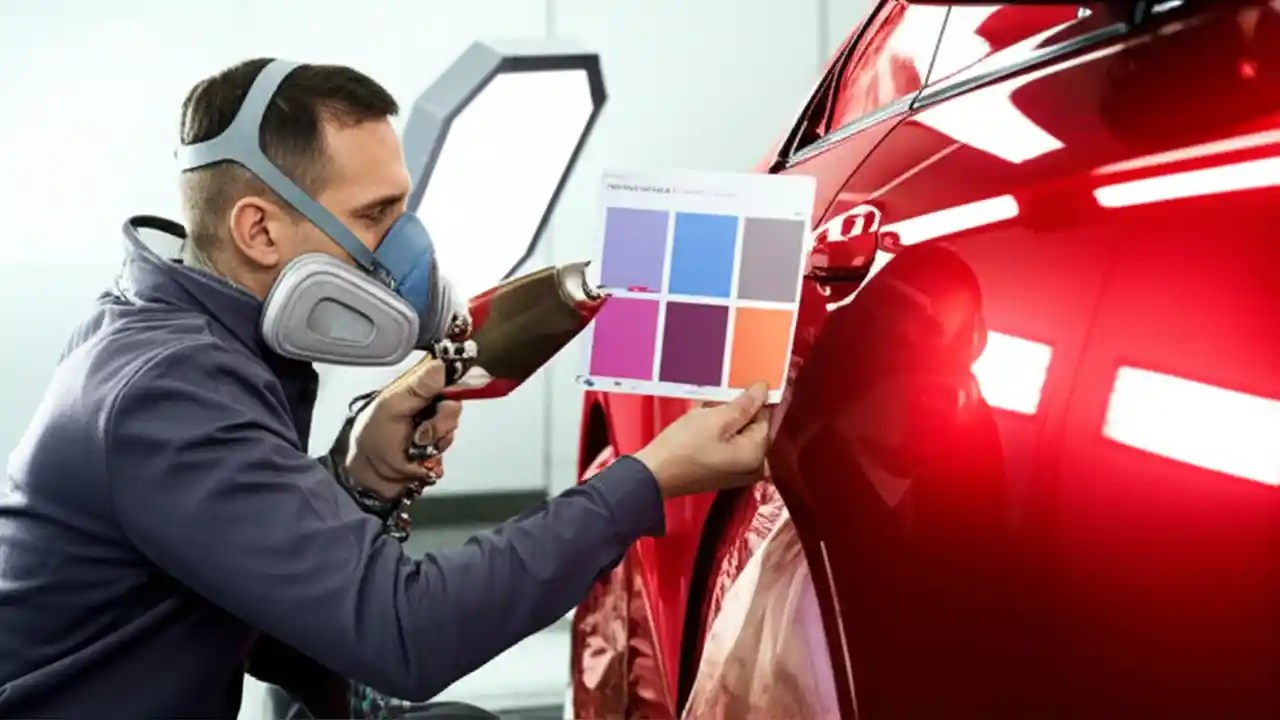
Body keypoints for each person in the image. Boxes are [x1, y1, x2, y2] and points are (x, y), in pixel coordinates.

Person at [0, 57, 771, 719]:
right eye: (374, 216)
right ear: (259, 230)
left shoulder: (173, 331)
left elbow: (237, 559)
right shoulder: (166, 390)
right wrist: (648, 479)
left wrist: (354, 477)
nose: (406, 252)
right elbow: (406, 635)